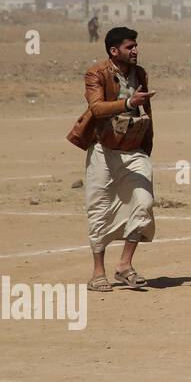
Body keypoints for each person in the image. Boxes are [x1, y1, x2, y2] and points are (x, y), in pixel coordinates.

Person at [65, 27, 156, 293]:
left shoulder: (139, 74)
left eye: (136, 46)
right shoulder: (97, 73)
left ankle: (125, 265)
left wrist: (147, 142)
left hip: (133, 149)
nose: (135, 51)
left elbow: (146, 109)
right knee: (99, 208)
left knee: (144, 202)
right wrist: (128, 102)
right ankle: (97, 273)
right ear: (114, 51)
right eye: (130, 47)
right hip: (103, 150)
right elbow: (97, 107)